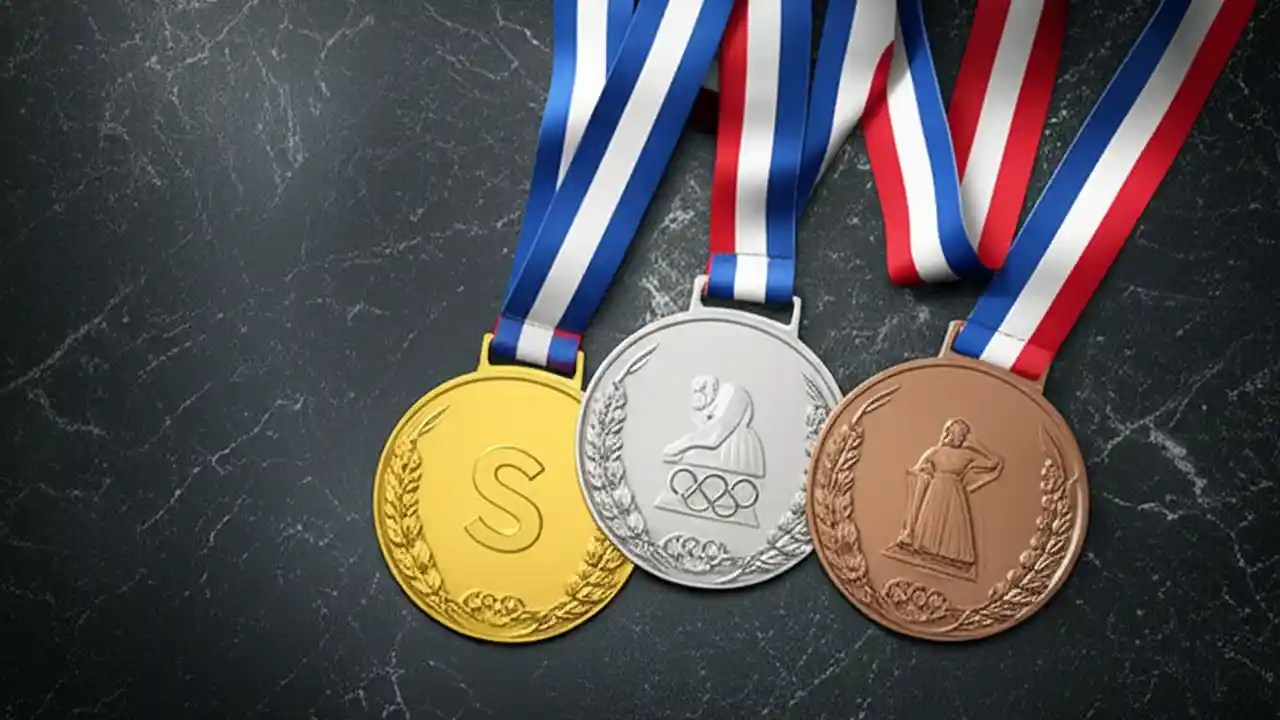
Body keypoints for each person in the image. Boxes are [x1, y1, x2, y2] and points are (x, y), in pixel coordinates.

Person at [889, 419, 1003, 577]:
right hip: (936, 490)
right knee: (933, 519)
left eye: (964, 435)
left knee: (954, 524)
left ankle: (951, 556)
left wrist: (976, 444)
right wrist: (923, 474)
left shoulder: (967, 454)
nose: (962, 438)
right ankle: (926, 548)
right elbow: (916, 471)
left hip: (955, 492)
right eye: (961, 434)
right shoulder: (934, 452)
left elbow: (993, 463)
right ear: (950, 433)